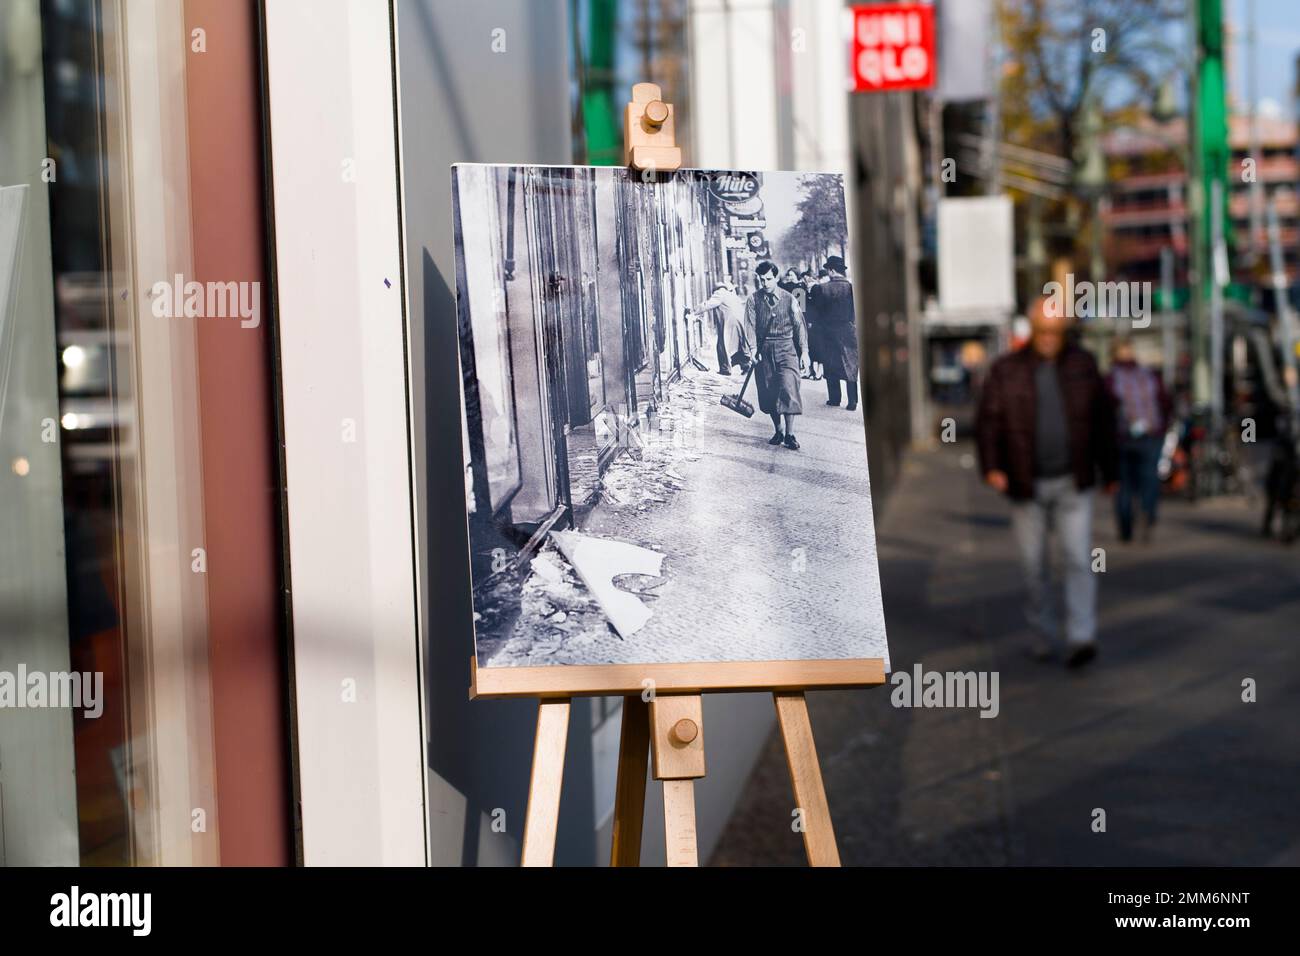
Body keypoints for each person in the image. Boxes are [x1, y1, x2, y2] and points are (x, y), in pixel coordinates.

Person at [976, 295, 1118, 669]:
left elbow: (1104, 418)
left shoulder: (1083, 365)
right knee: (1032, 566)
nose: (1049, 338)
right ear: (1032, 330)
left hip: (1074, 480)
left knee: (1077, 559)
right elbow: (989, 421)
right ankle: (1042, 634)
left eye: (1056, 331)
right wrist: (992, 466)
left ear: (1065, 331)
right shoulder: (1007, 369)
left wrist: (1112, 470)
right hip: (1026, 483)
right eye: (1043, 331)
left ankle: (1081, 636)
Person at [1105, 336, 1171, 543]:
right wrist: (1162, 426)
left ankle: (1126, 526)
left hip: (1122, 436)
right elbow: (1165, 401)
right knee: (1149, 478)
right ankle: (1147, 514)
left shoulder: (1110, 379)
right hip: (1152, 433)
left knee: (1123, 483)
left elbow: (1103, 409)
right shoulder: (1149, 375)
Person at [746, 260, 808, 450]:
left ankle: (790, 434)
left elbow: (800, 326)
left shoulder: (791, 298)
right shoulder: (753, 299)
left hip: (786, 349)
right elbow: (750, 326)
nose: (765, 283)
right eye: (762, 279)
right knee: (769, 391)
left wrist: (804, 352)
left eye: (769, 279)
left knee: (789, 388)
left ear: (776, 278)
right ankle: (778, 430)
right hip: (764, 351)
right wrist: (753, 349)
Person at [813, 256, 859, 410]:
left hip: (828, 331)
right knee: (850, 364)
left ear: (831, 270)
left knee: (830, 364)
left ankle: (834, 399)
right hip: (848, 330)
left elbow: (817, 314)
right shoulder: (852, 288)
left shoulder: (822, 288)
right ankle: (852, 401)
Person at [687, 279, 751, 376]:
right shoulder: (731, 294)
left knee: (722, 345)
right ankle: (745, 365)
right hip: (740, 321)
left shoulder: (720, 293)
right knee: (739, 345)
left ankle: (725, 369)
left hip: (730, 323)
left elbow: (708, 305)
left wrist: (692, 310)